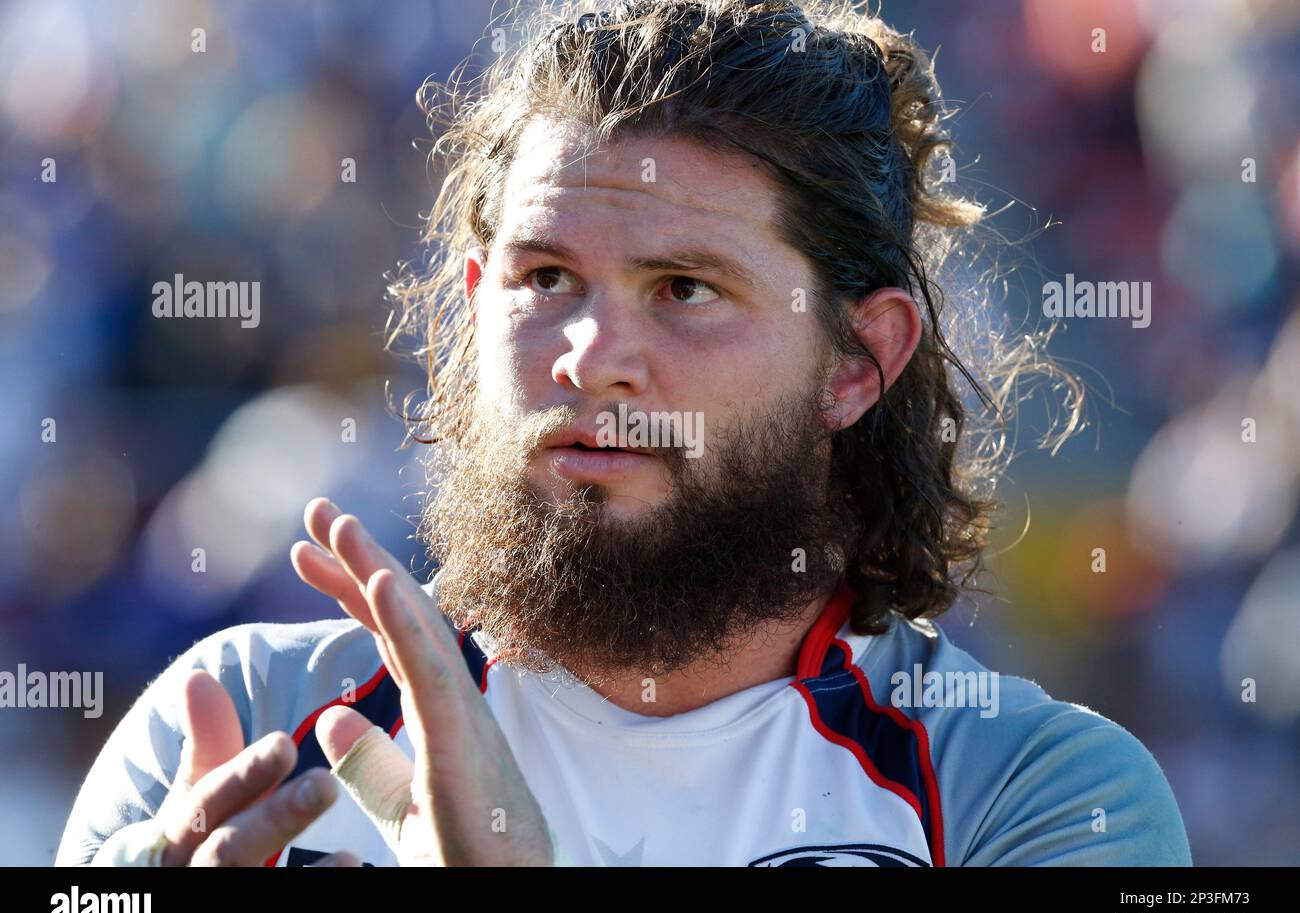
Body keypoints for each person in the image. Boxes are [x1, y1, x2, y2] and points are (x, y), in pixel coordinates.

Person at [57, 0, 1191, 867]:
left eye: (685, 288)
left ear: (857, 362)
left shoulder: (1033, 790)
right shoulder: (239, 727)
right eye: (544, 277)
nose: (591, 354)